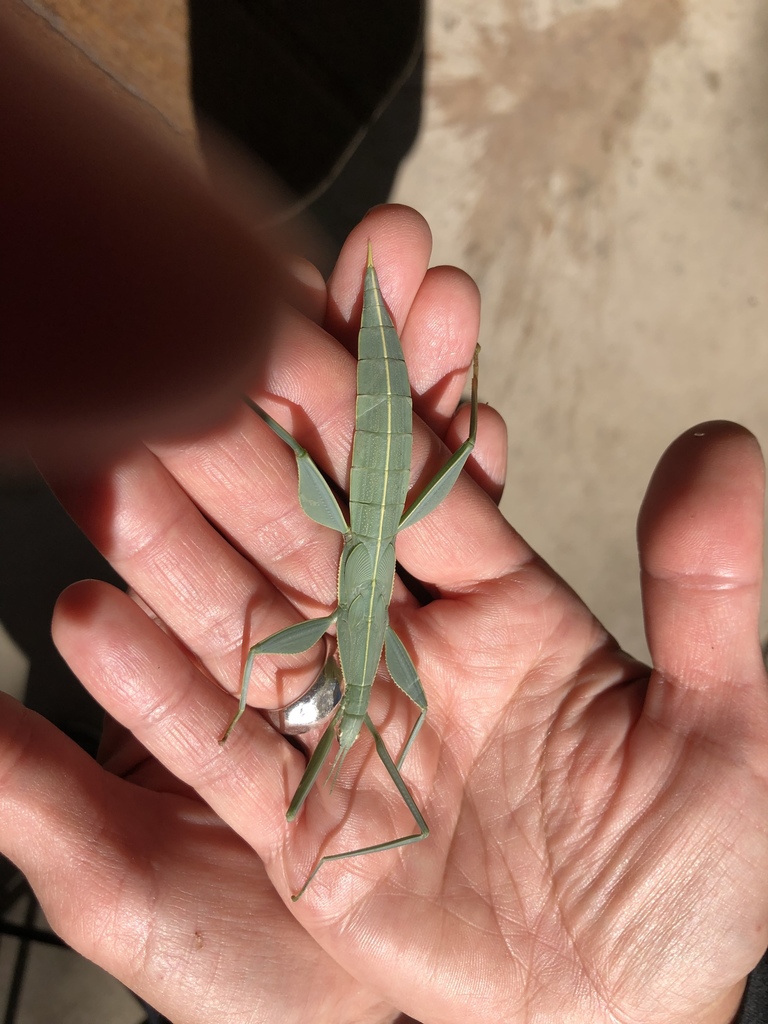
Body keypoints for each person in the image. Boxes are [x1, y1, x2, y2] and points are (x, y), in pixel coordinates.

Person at [2, 14, 768, 1024]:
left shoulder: (359, 661)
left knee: (310, 413)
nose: (353, 718)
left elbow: (324, 688)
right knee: (332, 390)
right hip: (377, 506)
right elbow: (320, 677)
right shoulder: (352, 659)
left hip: (373, 517)